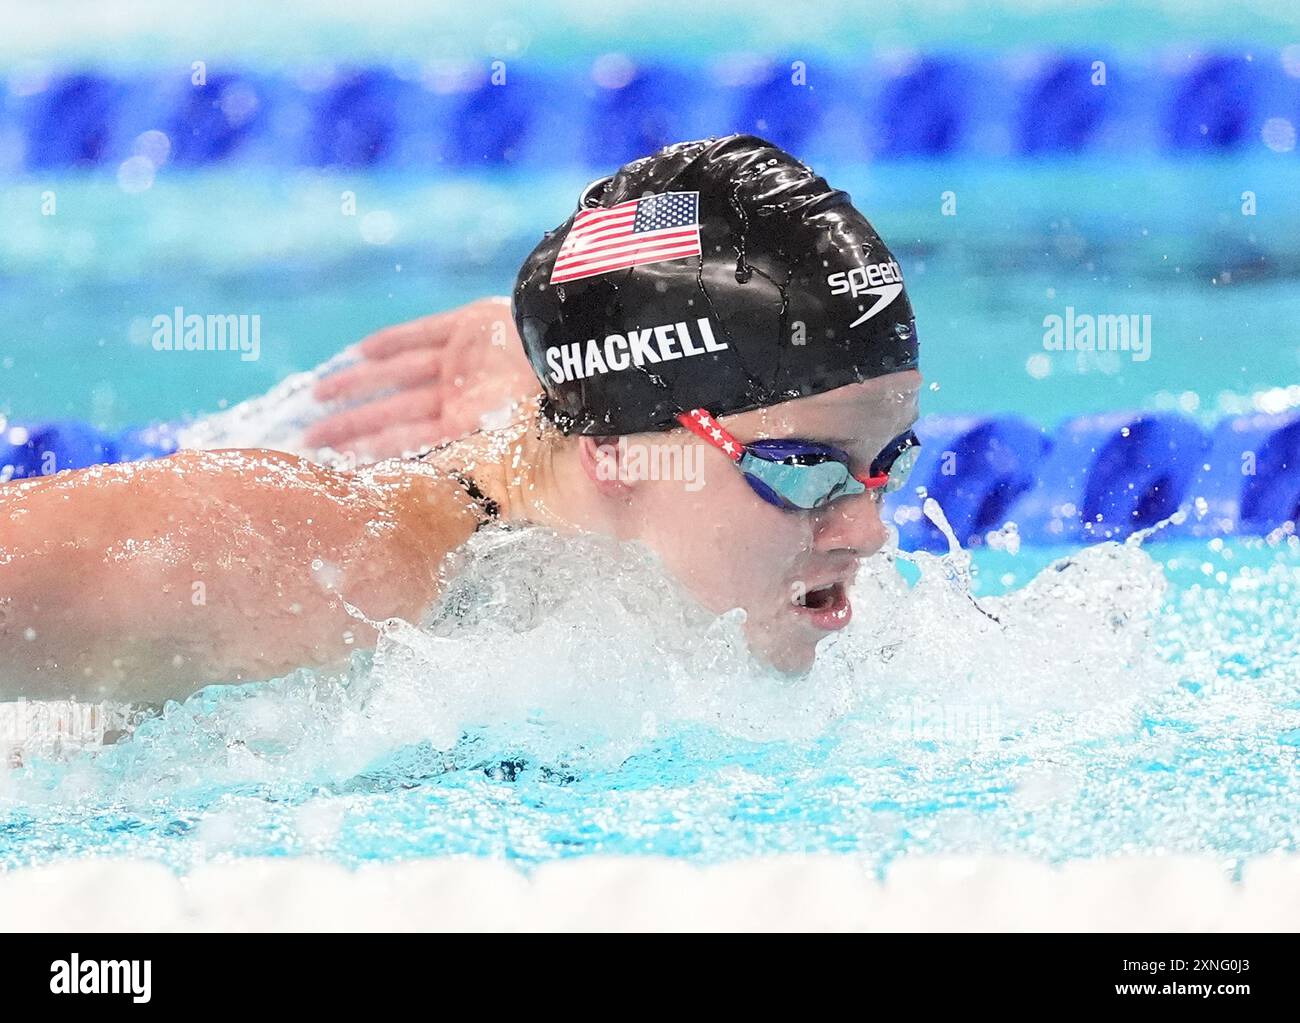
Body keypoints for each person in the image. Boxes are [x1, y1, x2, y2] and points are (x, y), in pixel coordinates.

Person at [0, 134, 922, 702]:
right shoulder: (306, 564)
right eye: (807, 468)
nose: (870, 528)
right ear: (614, 450)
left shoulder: (599, 500)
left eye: (889, 462)